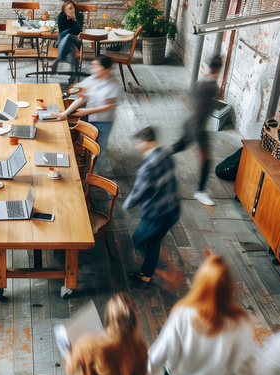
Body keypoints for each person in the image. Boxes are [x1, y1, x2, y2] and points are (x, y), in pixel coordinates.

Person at [123, 126, 181, 284]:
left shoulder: (149, 165)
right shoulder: (166, 155)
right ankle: (147, 275)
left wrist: (126, 205)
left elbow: (138, 191)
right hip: (172, 210)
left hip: (157, 214)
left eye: (139, 143)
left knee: (138, 240)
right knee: (154, 241)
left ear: (147, 142)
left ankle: (158, 268)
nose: (137, 146)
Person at [172, 55, 223, 207]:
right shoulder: (213, 87)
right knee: (206, 160)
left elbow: (190, 100)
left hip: (190, 123)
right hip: (198, 128)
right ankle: (200, 192)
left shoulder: (201, 81)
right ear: (220, 69)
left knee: (179, 146)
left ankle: (155, 159)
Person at [57, 56, 118, 176]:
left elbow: (109, 106)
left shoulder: (113, 85)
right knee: (89, 144)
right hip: (90, 117)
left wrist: (87, 111)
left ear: (107, 69)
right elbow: (81, 96)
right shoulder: (92, 79)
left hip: (104, 121)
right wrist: (65, 112)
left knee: (100, 149)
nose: (92, 69)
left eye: (96, 66)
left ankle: (97, 175)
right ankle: (86, 165)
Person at [51, 1, 83, 76]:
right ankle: (72, 77)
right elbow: (62, 33)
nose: (72, 10)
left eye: (73, 7)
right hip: (65, 42)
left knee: (68, 36)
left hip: (76, 39)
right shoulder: (61, 17)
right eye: (69, 8)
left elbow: (79, 30)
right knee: (69, 41)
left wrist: (74, 19)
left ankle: (58, 60)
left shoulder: (79, 16)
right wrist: (70, 31)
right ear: (64, 11)